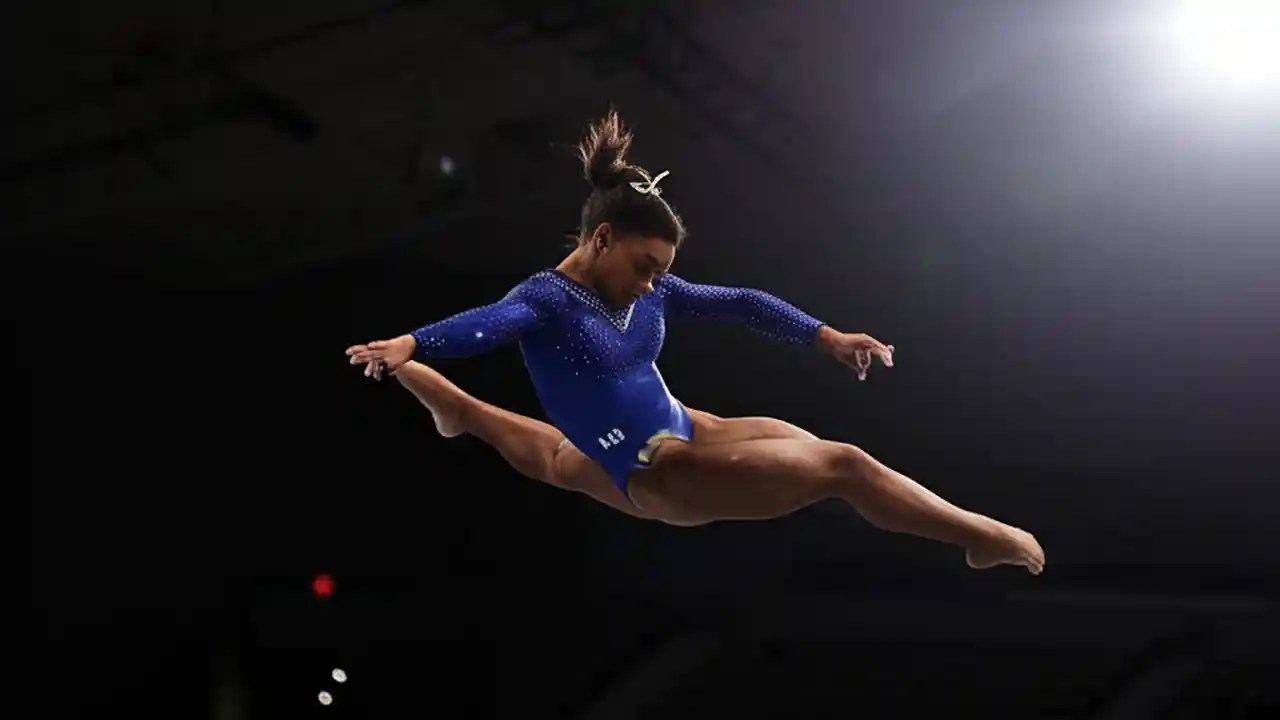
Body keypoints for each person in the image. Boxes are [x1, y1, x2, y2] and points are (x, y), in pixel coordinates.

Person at [346, 110, 1044, 574]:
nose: (652, 284)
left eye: (662, 271)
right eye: (644, 266)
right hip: (661, 472)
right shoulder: (545, 299)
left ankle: (451, 410)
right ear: (601, 239)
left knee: (547, 453)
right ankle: (977, 537)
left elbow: (740, 302)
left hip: (685, 427)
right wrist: (415, 341)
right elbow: (489, 324)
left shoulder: (649, 290)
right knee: (845, 465)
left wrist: (825, 336)